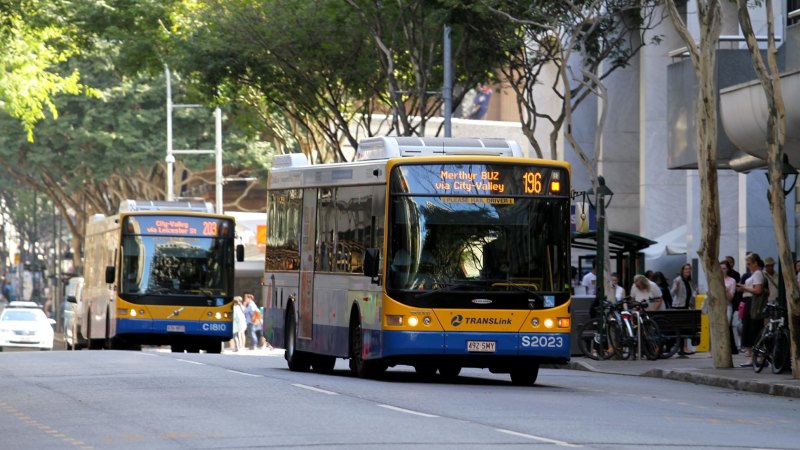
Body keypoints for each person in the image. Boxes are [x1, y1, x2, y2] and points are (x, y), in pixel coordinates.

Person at [736, 253, 765, 358]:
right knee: (748, 328)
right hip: (749, 301)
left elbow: (757, 290)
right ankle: (753, 354)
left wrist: (744, 288)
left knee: (751, 328)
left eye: (749, 264)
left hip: (752, 301)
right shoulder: (755, 273)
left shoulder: (757, 274)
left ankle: (756, 355)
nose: (748, 266)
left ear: (755, 263)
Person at [720, 260, 740, 354]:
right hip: (717, 305)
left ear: (727, 269)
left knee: (726, 326)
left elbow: (731, 297)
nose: (722, 270)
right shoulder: (715, 279)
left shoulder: (732, 281)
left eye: (724, 268)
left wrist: (726, 290)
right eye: (720, 268)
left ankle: (726, 347)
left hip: (727, 304)